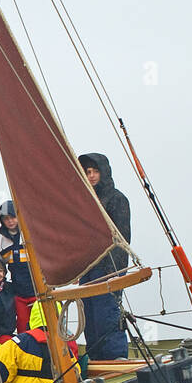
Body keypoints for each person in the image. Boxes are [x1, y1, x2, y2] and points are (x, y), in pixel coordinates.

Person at [78, 152, 131, 360]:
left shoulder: (117, 199)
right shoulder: (83, 201)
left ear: (104, 172)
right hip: (87, 267)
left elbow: (122, 237)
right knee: (89, 315)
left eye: (95, 171)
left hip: (108, 267)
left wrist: (115, 271)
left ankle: (116, 355)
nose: (91, 176)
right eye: (87, 172)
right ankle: (95, 355)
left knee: (107, 313)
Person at [0, 200, 35, 332]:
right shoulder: (0, 242)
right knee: (23, 326)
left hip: (38, 290)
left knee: (42, 324)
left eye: (13, 217)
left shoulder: (31, 234)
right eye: (6, 219)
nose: (10, 221)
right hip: (19, 292)